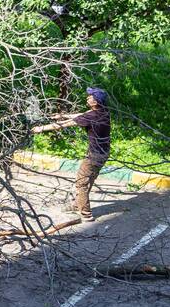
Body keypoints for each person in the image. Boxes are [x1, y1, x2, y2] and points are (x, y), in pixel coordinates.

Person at [32, 87, 112, 222]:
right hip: (104, 153)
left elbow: (64, 125)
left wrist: (41, 129)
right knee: (88, 180)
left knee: (81, 183)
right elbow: (81, 114)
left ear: (96, 102)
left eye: (90, 97)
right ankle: (77, 204)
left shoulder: (91, 116)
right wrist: (61, 116)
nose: (87, 98)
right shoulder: (103, 112)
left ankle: (86, 214)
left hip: (94, 155)